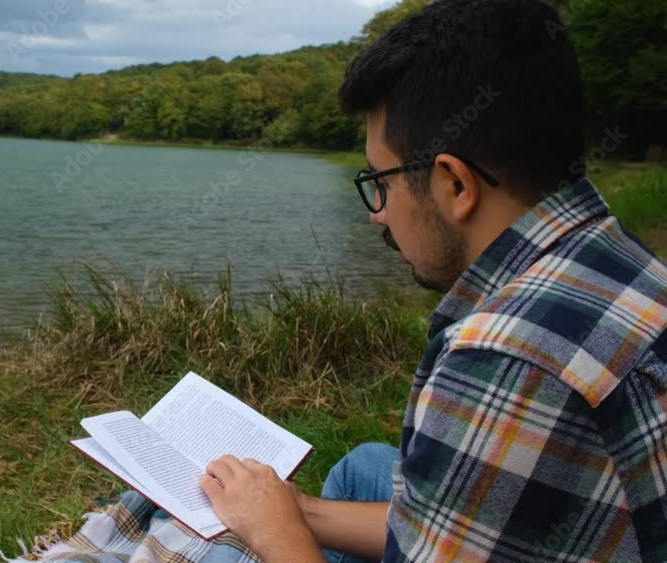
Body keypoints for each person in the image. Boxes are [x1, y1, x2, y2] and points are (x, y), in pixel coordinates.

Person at [197, 0, 667, 561]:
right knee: (365, 466)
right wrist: (293, 508)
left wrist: (275, 530)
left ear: (454, 185)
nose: (378, 213)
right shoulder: (618, 254)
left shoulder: (505, 358)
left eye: (382, 181)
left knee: (228, 552)